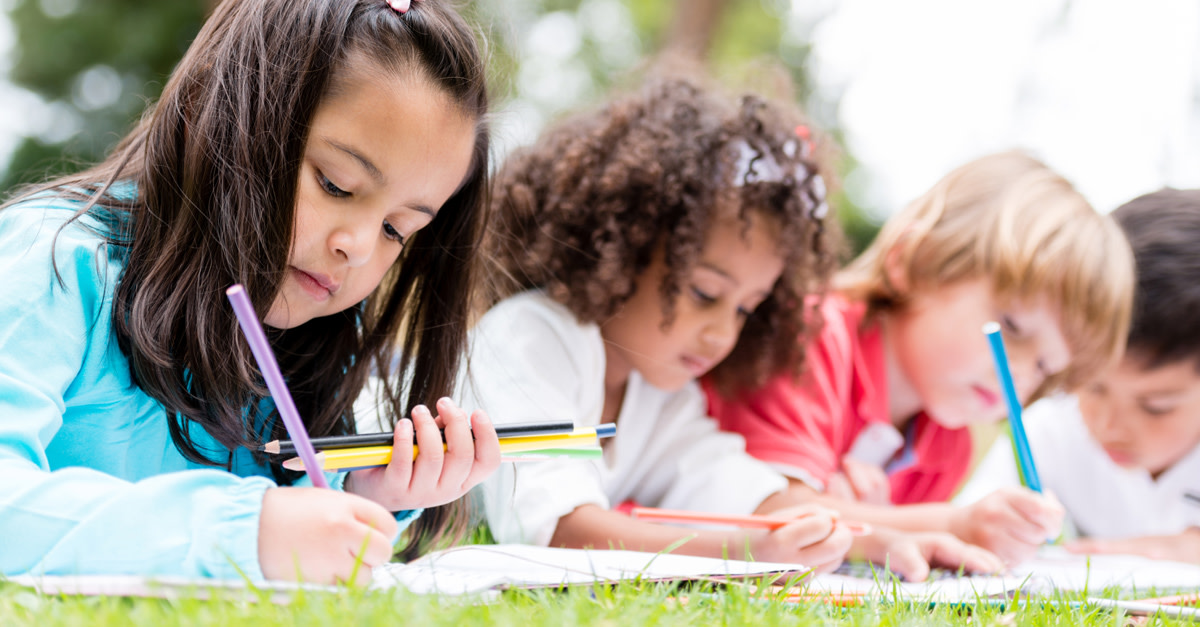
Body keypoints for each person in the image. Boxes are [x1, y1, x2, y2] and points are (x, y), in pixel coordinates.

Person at [0, 0, 500, 585]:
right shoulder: (55, 261)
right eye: (336, 184)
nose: (359, 246)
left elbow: (284, 512)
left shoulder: (304, 332)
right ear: (223, 115)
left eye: (397, 229)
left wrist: (364, 492)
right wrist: (242, 533)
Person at [462, 74, 1001, 581]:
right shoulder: (533, 338)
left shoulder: (659, 396)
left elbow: (748, 496)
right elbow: (558, 533)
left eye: (746, 309)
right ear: (622, 245)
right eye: (705, 294)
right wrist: (744, 555)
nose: (723, 334)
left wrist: (874, 539)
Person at [707, 151, 1135, 566]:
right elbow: (774, 515)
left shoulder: (948, 446)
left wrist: (884, 527)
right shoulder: (812, 336)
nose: (1021, 372)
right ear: (915, 261)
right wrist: (955, 525)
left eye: (1046, 367)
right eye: (1012, 327)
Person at [958, 188, 1200, 564]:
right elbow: (970, 522)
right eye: (1091, 385)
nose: (1108, 425)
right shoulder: (1055, 429)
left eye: (1156, 407)